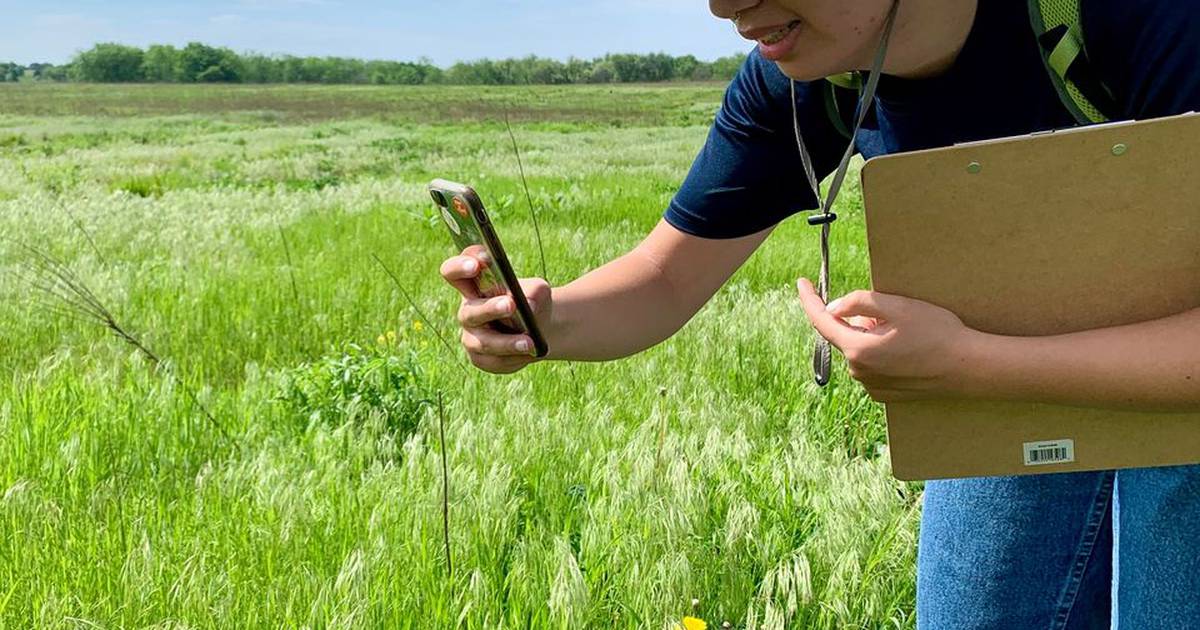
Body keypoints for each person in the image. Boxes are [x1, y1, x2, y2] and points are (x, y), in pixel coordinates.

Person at [438, 0, 1200, 626]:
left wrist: (965, 363)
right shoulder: (808, 73)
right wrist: (547, 321)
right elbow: (665, 279)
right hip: (996, 382)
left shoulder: (1142, 18)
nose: (724, 7)